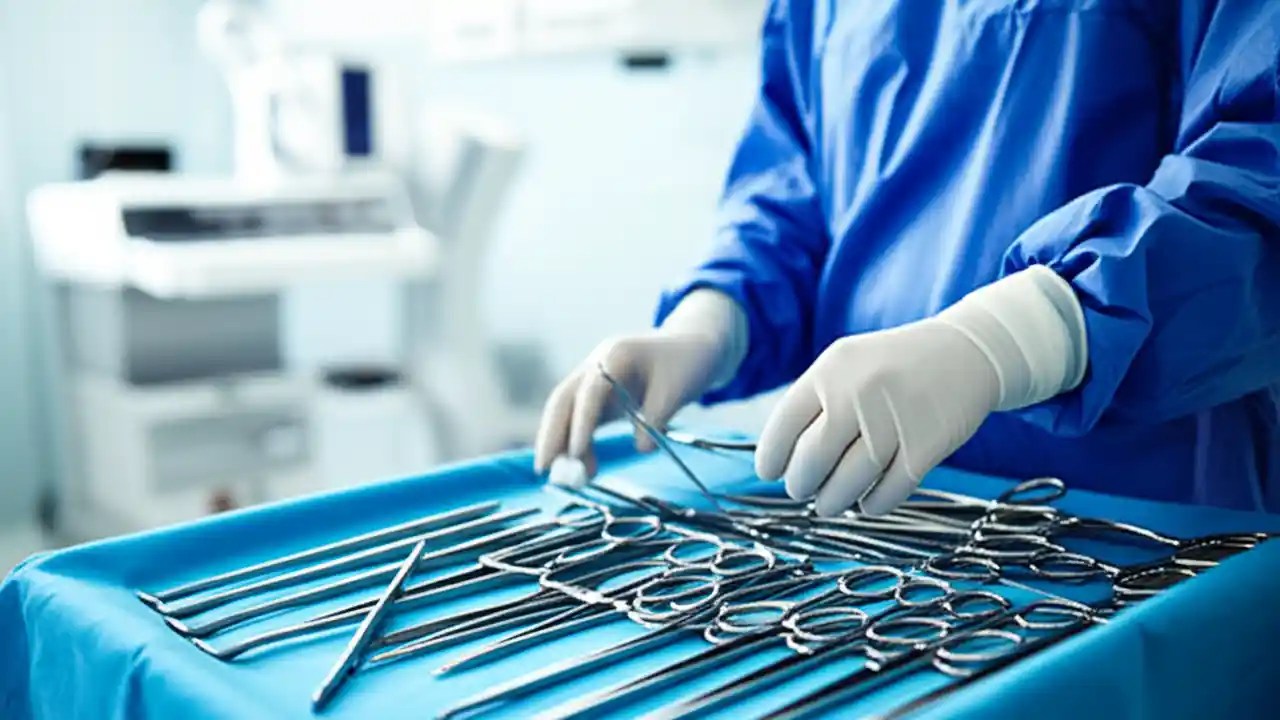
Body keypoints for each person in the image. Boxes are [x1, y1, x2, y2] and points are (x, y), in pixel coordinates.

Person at [534, 0, 1280, 515]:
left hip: (1139, 530)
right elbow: (797, 190)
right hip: (872, 525)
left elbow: (1258, 182)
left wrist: (1007, 342)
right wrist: (709, 325)